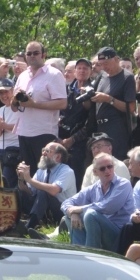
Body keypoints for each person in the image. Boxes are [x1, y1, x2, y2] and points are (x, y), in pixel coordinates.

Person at [59, 153, 134, 252]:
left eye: (110, 167)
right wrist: (72, 212)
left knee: (91, 215)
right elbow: (66, 203)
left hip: (118, 236)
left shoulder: (123, 184)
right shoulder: (93, 188)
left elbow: (108, 206)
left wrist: (80, 209)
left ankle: (91, 254)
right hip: (100, 231)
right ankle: (79, 253)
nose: (107, 171)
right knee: (68, 217)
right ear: (95, 172)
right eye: (102, 169)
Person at [13, 41, 67, 169]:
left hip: (43, 132)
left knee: (44, 172)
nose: (32, 56)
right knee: (28, 173)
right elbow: (14, 106)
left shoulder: (54, 74)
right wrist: (15, 100)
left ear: (44, 55)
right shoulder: (23, 76)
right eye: (29, 53)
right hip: (23, 131)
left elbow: (63, 103)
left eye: (36, 53)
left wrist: (34, 104)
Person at [85, 47, 136, 159]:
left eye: (106, 63)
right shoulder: (102, 75)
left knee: (115, 161)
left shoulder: (127, 77)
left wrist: (109, 99)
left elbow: (131, 108)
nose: (104, 67)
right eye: (101, 64)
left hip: (116, 128)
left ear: (116, 59)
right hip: (99, 128)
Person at [16, 141, 76, 233]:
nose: (43, 153)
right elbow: (30, 192)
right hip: (44, 210)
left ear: (58, 156)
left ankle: (28, 227)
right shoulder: (42, 170)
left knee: (43, 193)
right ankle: (14, 222)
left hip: (61, 213)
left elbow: (54, 190)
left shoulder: (67, 171)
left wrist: (29, 179)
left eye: (47, 151)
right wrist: (21, 178)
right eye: (43, 150)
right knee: (17, 191)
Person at [60, 58, 96, 179]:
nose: (82, 71)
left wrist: (72, 139)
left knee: (77, 175)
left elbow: (91, 122)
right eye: (79, 68)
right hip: (61, 138)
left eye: (85, 68)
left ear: (91, 72)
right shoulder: (65, 89)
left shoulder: (93, 91)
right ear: (75, 71)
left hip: (80, 143)